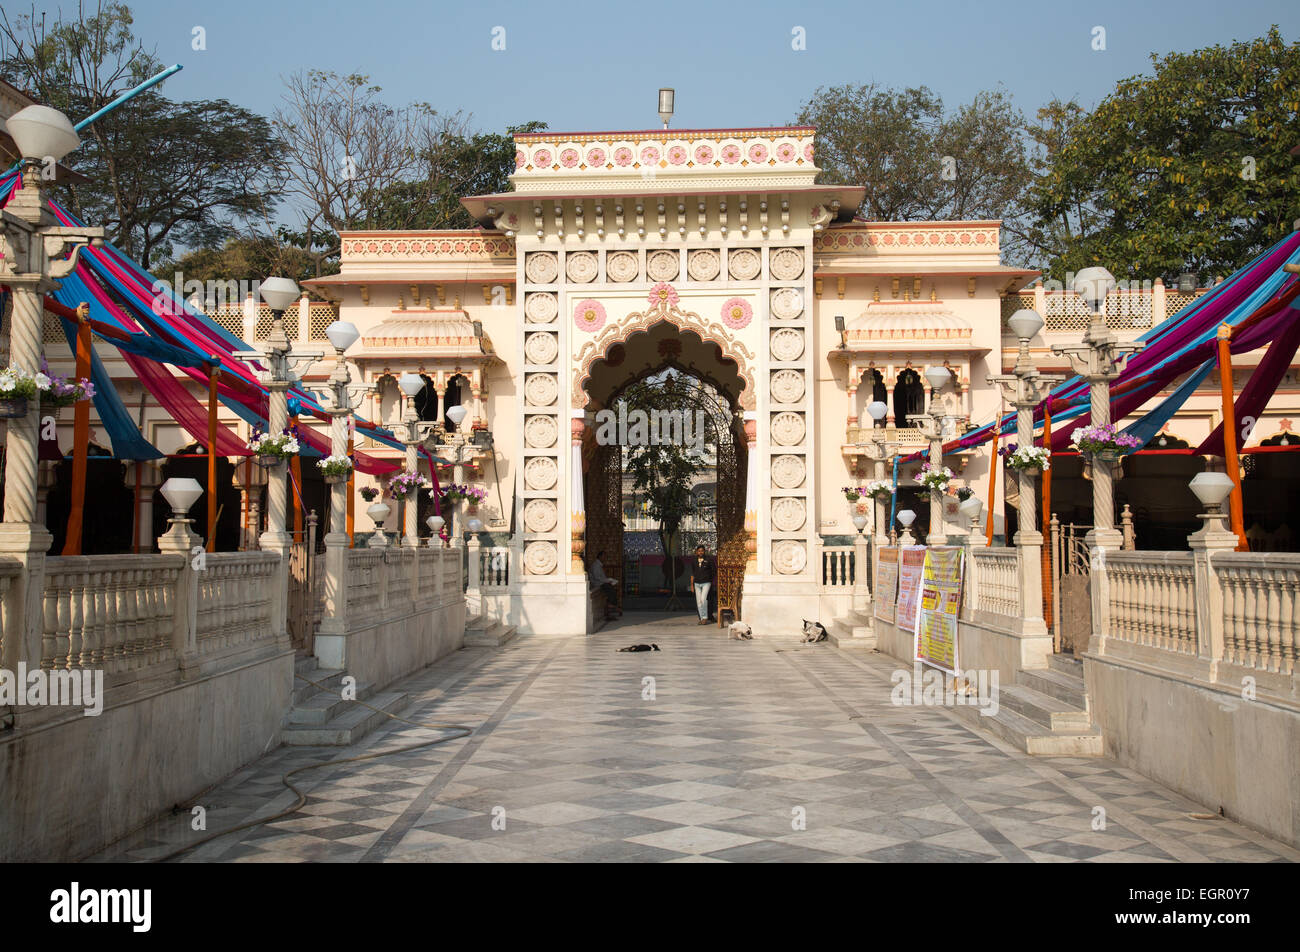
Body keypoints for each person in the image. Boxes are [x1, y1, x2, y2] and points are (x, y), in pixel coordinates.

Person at [589, 550, 621, 617]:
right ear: (600, 556)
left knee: (611, 587)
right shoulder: (595, 565)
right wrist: (607, 580)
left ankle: (611, 603)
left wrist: (608, 580)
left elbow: (601, 577)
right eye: (604, 556)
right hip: (597, 583)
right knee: (609, 588)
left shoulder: (599, 565)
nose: (605, 558)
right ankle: (611, 604)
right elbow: (597, 577)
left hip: (601, 582)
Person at [689, 544, 715, 625]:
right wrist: (692, 585)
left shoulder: (709, 560)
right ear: (697, 552)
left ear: (704, 551)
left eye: (702, 551)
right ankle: (702, 618)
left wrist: (710, 580)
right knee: (698, 602)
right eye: (699, 551)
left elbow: (714, 571)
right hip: (697, 583)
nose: (700, 552)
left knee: (703, 599)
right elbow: (692, 574)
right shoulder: (694, 561)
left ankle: (705, 617)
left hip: (706, 583)